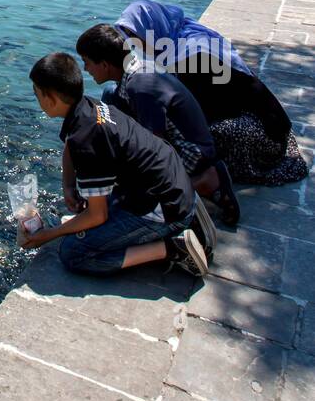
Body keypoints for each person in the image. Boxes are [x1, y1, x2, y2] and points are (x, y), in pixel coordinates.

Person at [20, 52, 207, 278]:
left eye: (37, 94)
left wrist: (48, 235)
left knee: (73, 252)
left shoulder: (87, 140)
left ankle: (172, 249)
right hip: (173, 185)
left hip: (165, 207)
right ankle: (181, 225)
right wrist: (68, 186)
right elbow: (70, 143)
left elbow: (97, 216)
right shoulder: (89, 107)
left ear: (50, 99)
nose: (37, 99)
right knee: (88, 212)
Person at [117, 0, 308, 187]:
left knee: (198, 139)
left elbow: (214, 108)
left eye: (138, 37)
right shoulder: (182, 38)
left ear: (152, 29)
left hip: (268, 134)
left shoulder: (192, 57)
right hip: (266, 122)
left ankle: (213, 175)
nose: (138, 46)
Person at [75, 22, 238, 230]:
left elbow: (154, 150)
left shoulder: (140, 86)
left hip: (193, 151)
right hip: (175, 141)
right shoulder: (133, 73)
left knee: (133, 200)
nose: (85, 69)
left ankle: (206, 180)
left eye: (87, 62)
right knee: (109, 97)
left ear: (105, 64)